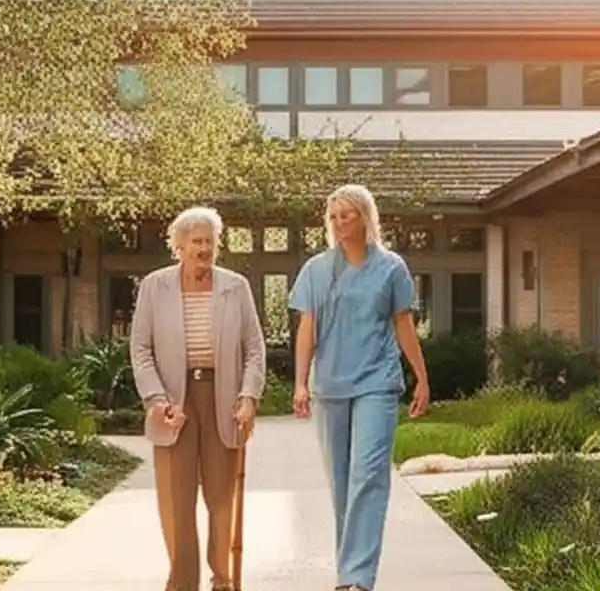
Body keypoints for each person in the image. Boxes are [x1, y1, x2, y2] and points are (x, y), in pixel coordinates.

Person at [289, 184, 431, 591]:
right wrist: (300, 383)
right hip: (330, 384)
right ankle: (347, 573)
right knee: (342, 483)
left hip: (377, 383)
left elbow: (403, 324)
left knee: (368, 477)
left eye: (346, 215)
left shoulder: (391, 268)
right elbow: (307, 329)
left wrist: (420, 375)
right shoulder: (316, 270)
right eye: (333, 217)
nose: (338, 223)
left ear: (365, 217)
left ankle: (357, 579)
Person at [130, 206, 267, 591]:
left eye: (209, 241)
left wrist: (248, 396)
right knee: (177, 502)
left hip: (222, 398)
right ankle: (182, 582)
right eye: (196, 242)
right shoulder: (155, 286)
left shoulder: (235, 286)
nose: (204, 249)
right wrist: (156, 399)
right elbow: (141, 349)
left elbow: (254, 348)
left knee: (222, 498)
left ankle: (221, 579)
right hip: (173, 402)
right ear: (179, 246)